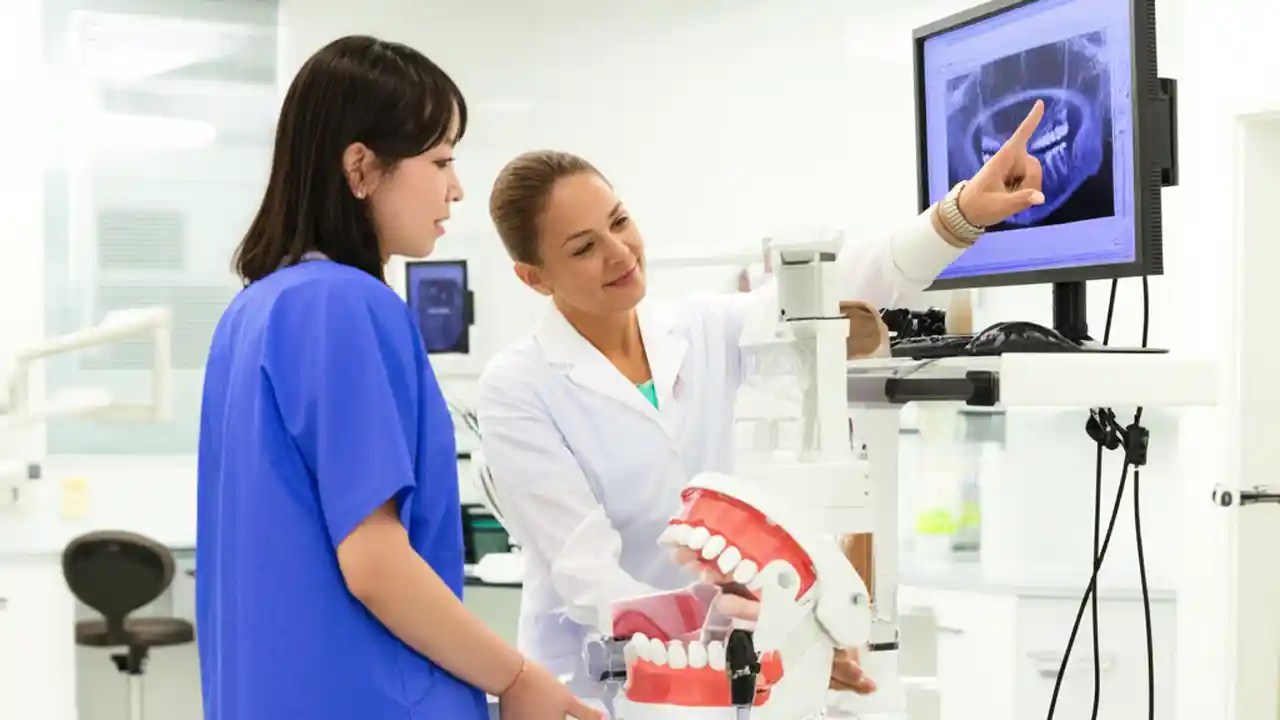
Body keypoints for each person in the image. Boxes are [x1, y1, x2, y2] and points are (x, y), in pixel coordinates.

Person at [475, 101, 1047, 703]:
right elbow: (587, 576)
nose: (619, 252)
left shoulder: (698, 330)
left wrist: (960, 216)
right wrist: (759, 635)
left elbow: (829, 289)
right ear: (534, 278)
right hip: (592, 686)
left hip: (724, 673)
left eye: (619, 222)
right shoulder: (518, 386)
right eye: (583, 247)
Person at [196, 35, 600, 720]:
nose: (456, 187)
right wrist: (518, 679)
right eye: (440, 159)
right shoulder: (346, 304)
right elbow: (376, 563)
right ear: (361, 167)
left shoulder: (254, 311)